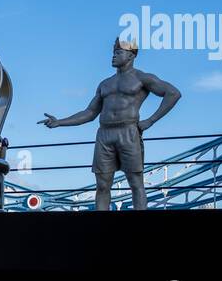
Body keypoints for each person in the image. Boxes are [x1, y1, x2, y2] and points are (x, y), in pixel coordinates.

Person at [39, 37, 181, 210]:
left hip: (128, 131)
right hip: (105, 133)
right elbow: (90, 112)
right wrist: (60, 122)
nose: (113, 56)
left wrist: (150, 121)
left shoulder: (142, 78)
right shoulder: (105, 84)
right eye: (114, 52)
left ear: (131, 56)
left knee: (136, 183)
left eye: (118, 52)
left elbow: (173, 93)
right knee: (103, 186)